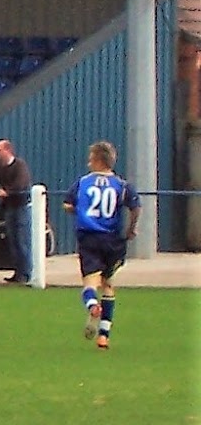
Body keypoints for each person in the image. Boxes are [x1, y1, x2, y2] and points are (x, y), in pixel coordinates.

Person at [63, 141, 140, 350]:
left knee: (89, 283)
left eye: (90, 159)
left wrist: (78, 210)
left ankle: (91, 304)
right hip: (113, 240)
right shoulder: (121, 185)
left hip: (89, 238)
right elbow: (135, 206)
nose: (88, 163)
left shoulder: (83, 182)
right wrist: (131, 229)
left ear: (97, 160)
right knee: (108, 284)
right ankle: (104, 336)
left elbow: (68, 204)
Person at [0, 139, 34, 284]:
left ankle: (26, 273)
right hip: (8, 207)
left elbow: (22, 184)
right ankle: (17, 272)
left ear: (7, 150)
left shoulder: (20, 165)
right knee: (12, 240)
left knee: (22, 240)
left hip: (21, 206)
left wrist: (7, 191)